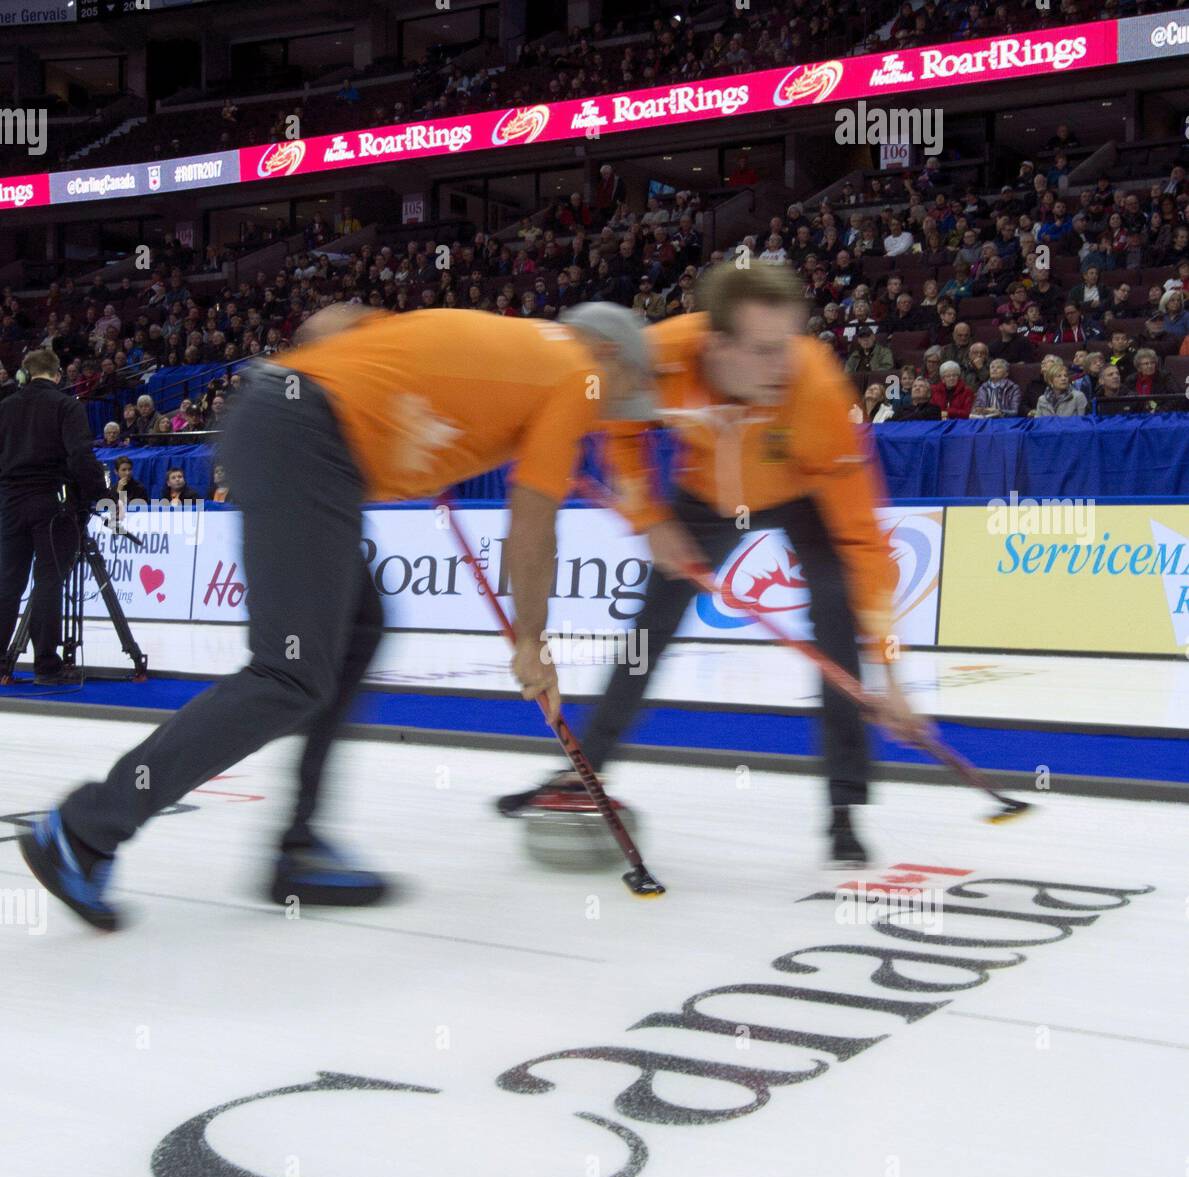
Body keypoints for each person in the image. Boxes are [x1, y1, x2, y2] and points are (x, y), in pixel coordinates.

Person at [19, 304, 660, 931]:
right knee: (287, 674)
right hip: (305, 439)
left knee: (356, 628)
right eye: (618, 400)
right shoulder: (581, 369)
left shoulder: (520, 344)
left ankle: (299, 843)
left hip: (286, 421)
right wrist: (532, 642)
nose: (606, 417)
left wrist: (418, 419)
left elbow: (335, 322)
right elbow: (533, 519)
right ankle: (83, 830)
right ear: (607, 356)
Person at [497, 262, 928, 867]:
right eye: (765, 351)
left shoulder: (818, 390)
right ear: (716, 345)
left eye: (790, 345)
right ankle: (581, 775)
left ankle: (844, 807)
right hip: (706, 497)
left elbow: (863, 539)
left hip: (802, 494)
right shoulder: (664, 355)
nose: (786, 366)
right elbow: (622, 430)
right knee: (648, 631)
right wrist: (651, 520)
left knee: (836, 613)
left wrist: (891, 676)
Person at [0, 350, 108, 683]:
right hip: (51, 502)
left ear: (24, 375)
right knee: (48, 581)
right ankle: (46, 665)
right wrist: (100, 497)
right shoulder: (66, 405)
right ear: (58, 374)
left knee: (7, 583)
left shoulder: (4, 407)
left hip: (10, 502)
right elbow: (79, 455)